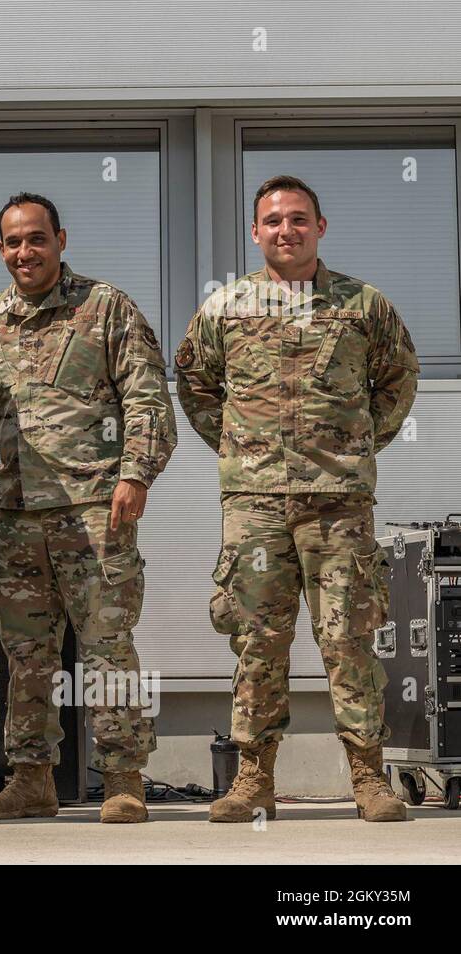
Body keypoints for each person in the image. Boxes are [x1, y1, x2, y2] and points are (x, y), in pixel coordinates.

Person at [176, 174, 419, 823]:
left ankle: (368, 778)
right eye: (274, 221)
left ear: (320, 227)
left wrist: (355, 447)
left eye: (299, 219)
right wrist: (237, 450)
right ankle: (253, 777)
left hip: (338, 505)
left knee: (350, 639)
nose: (287, 230)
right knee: (258, 640)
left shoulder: (363, 306)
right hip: (254, 504)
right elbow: (195, 384)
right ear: (256, 232)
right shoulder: (226, 308)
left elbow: (397, 381)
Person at [0, 192, 177, 823]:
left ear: (60, 240)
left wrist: (135, 475)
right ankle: (32, 779)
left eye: (37, 239)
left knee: (108, 648)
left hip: (97, 511)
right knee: (27, 657)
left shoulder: (104, 308)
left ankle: (123, 778)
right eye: (14, 242)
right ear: (1, 249)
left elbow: (147, 398)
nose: (26, 252)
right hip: (18, 517)